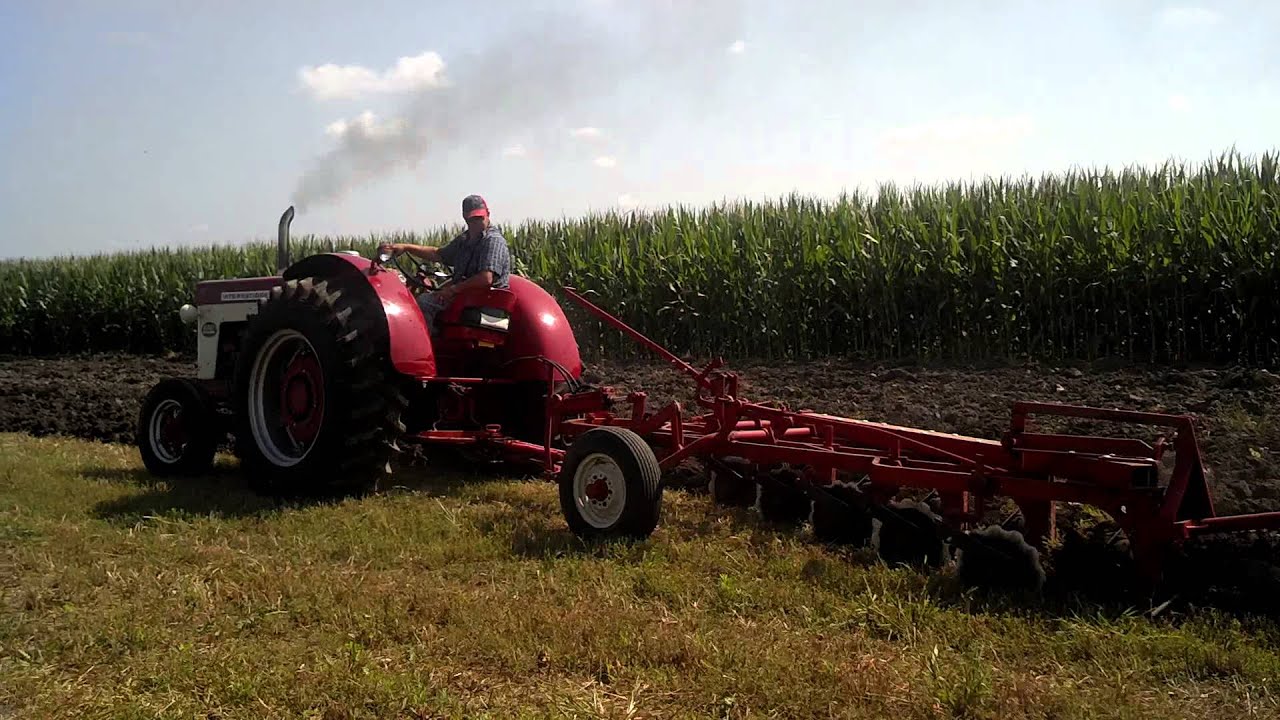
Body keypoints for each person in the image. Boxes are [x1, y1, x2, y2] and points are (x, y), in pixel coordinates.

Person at [379, 194, 512, 333]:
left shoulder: (492, 240)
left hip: (481, 302)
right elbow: (438, 254)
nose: (477, 222)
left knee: (424, 303)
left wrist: (453, 290)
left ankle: (426, 347)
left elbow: (486, 278)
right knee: (429, 297)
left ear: (488, 214)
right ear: (465, 218)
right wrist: (406, 247)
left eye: (480, 217)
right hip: (467, 299)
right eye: (472, 219)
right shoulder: (464, 240)